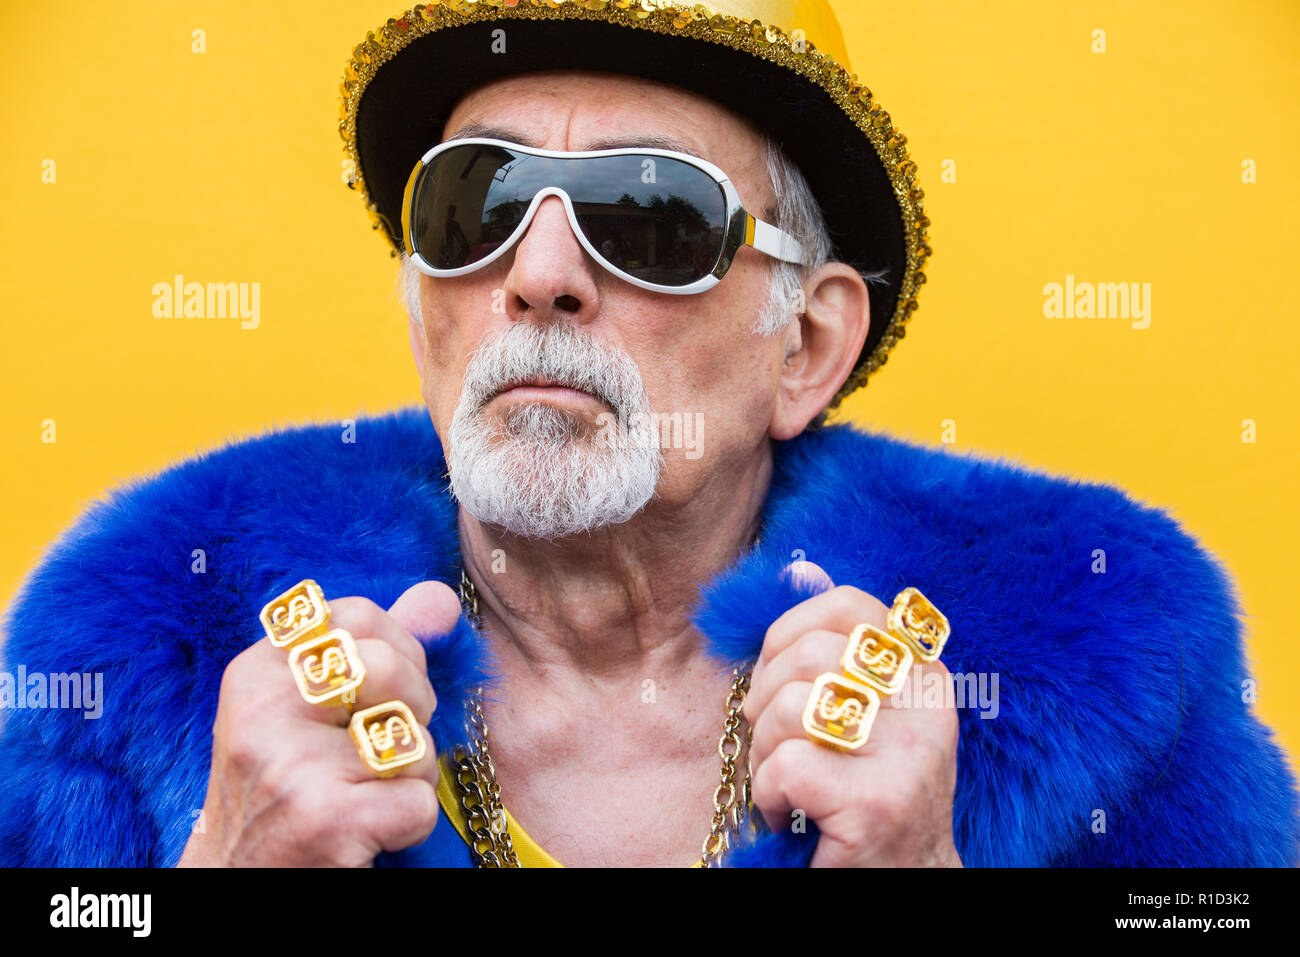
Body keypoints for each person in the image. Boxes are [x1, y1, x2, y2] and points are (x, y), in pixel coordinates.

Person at [1, 0, 1296, 868]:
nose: (541, 272)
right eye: (477, 202)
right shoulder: (142, 656)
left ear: (807, 347)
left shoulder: (1109, 659)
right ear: (420, 296)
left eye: (650, 217)